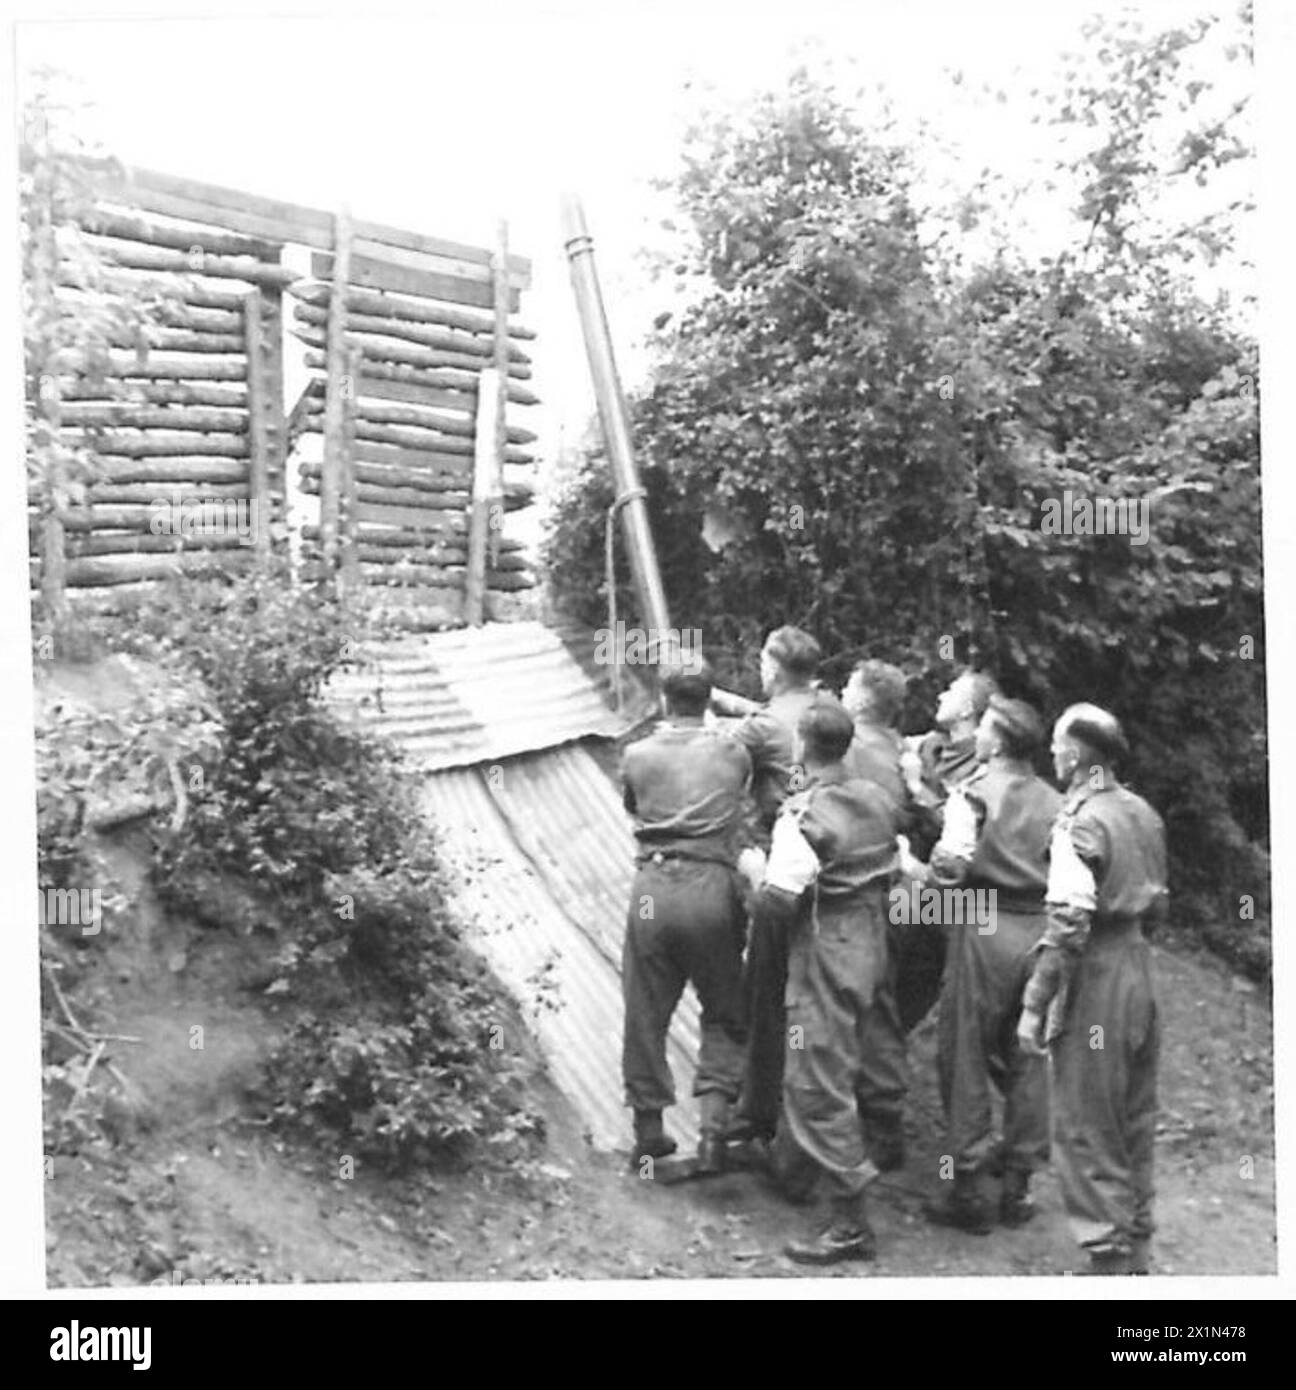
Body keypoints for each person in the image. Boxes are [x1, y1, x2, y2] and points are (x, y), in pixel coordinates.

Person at [1017, 703, 1168, 1275]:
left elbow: (1067, 926)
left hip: (1100, 975)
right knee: (1134, 1112)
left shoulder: (1080, 822)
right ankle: (1137, 1242)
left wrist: (1034, 1006)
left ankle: (1107, 1256)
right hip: (1139, 968)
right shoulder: (1143, 812)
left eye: (1057, 745)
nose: (1053, 754)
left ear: (1078, 755)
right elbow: (1159, 903)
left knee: (1086, 1118)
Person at [753, 697, 902, 1265]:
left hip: (828, 948)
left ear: (800, 748)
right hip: (872, 941)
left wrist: (751, 872)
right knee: (845, 1058)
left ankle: (850, 1221)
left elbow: (779, 899)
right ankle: (795, 1168)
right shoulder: (877, 799)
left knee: (817, 1077)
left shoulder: (803, 816)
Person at [920, 695, 1061, 1233]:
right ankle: (1019, 1185)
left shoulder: (972, 795)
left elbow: (951, 867)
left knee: (964, 1052)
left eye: (984, 728)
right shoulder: (1059, 802)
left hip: (984, 920)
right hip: (1042, 929)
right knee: (1028, 1054)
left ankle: (968, 1189)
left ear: (997, 742)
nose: (975, 733)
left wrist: (918, 877)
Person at [620, 657, 751, 1173]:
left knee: (645, 1010)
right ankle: (715, 1130)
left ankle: (649, 1131)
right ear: (709, 698)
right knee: (723, 1008)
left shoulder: (637, 754)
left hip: (654, 885)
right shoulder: (732, 751)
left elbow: (632, 805)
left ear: (664, 698)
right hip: (712, 887)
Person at [724, 626, 824, 1148]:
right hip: (838, 866)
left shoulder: (762, 726)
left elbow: (718, 762)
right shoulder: (831, 711)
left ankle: (755, 1110)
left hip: (781, 861)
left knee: (765, 989)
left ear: (775, 668)